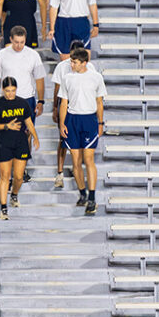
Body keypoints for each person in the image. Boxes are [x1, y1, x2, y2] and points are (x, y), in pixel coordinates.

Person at [54, 47, 106, 212]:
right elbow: (63, 103)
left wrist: (100, 123)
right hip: (72, 119)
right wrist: (62, 124)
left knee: (88, 159)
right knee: (75, 160)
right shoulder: (67, 78)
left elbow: (99, 102)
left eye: (74, 62)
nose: (71, 64)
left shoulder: (96, 77)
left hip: (89, 119)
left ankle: (92, 197)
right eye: (71, 61)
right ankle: (82, 193)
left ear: (84, 63)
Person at [0, 76, 37, 218]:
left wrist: (35, 137)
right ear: (3, 90)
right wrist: (6, 126)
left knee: (19, 177)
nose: (10, 93)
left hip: (20, 143)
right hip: (4, 143)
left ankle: (14, 195)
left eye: (13, 90)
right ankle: (3, 208)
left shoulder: (22, 103)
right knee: (5, 176)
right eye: (7, 91)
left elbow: (28, 122)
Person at [0, 24, 47, 105]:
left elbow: (39, 78)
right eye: (16, 42)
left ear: (25, 40)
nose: (19, 45)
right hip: (7, 99)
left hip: (27, 99)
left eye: (22, 42)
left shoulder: (33, 55)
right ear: (11, 39)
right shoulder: (1, 55)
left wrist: (41, 101)